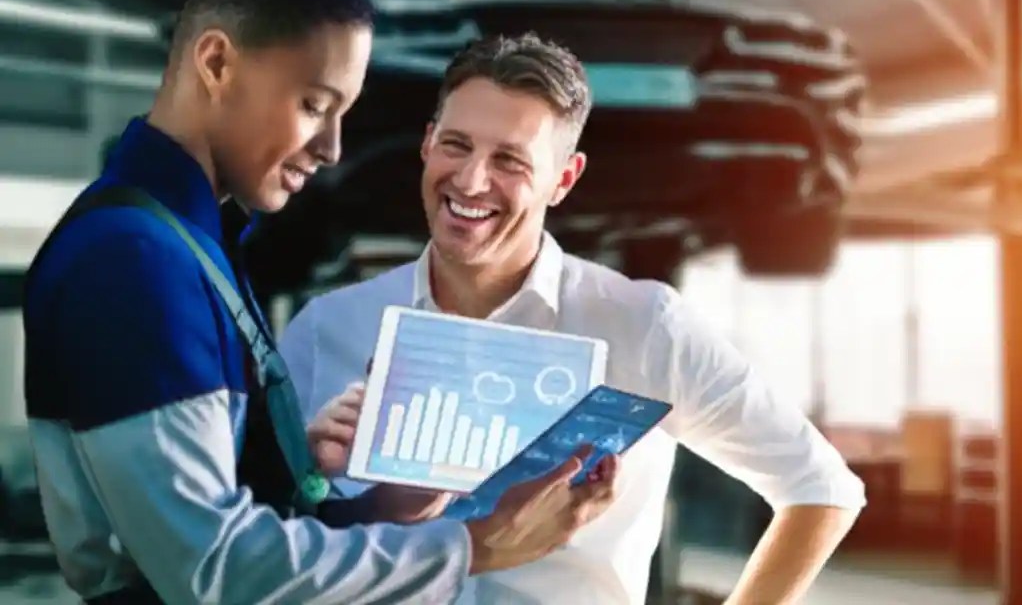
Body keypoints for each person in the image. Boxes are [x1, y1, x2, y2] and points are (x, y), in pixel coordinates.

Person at [21, 0, 616, 605]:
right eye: (313, 105)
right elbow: (214, 569)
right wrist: (477, 545)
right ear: (216, 62)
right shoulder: (132, 260)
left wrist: (381, 507)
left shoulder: (192, 247)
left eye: (342, 115)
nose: (331, 149)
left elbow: (226, 530)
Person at [283, 32, 867, 605]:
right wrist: (311, 473)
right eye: (456, 146)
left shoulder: (644, 326)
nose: (471, 180)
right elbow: (263, 538)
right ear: (428, 143)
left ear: (563, 179)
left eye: (509, 160)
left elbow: (820, 486)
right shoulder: (327, 330)